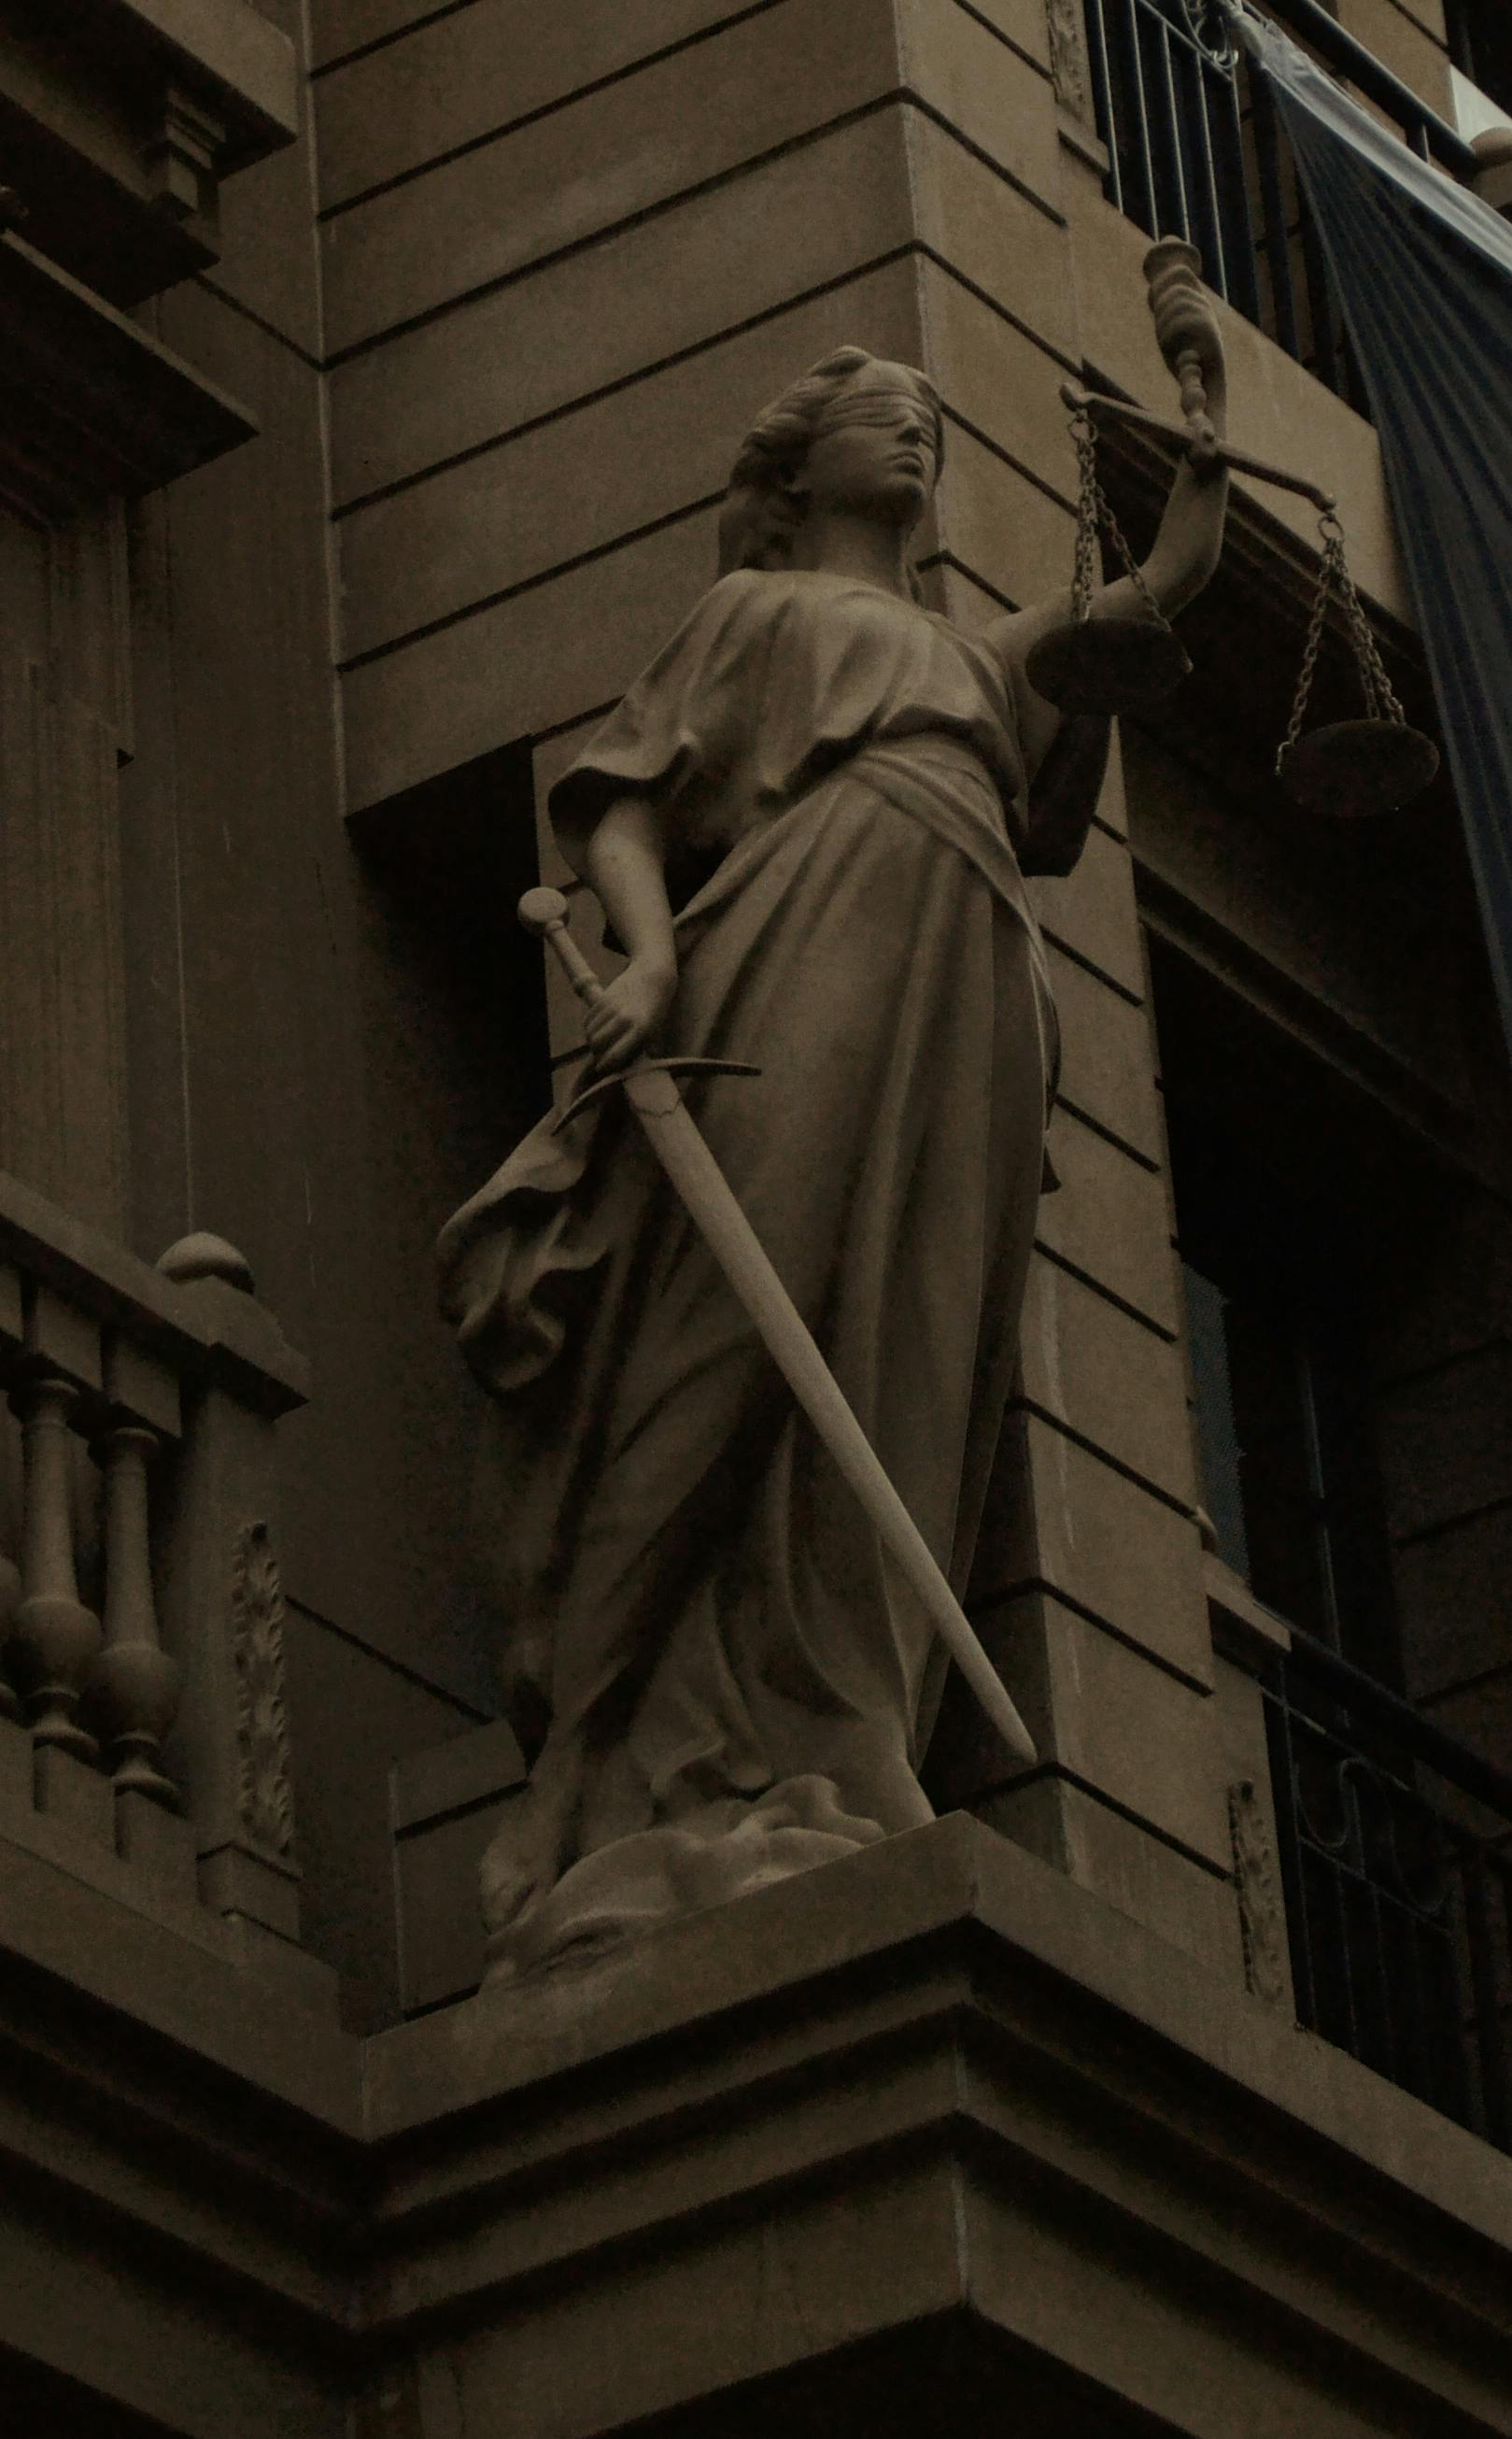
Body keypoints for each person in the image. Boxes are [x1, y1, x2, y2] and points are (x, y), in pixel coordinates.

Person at [438, 328, 1228, 1982]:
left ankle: (839, 1735)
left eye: (928, 414)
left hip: (972, 978)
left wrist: (1198, 472)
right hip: (818, 926)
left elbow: (1137, 607)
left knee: (904, 1373)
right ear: (794, 476)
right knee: (737, 1336)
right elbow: (620, 808)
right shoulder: (754, 617)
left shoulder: (966, 653)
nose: (917, 428)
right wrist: (646, 963)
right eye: (884, 413)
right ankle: (589, 1745)